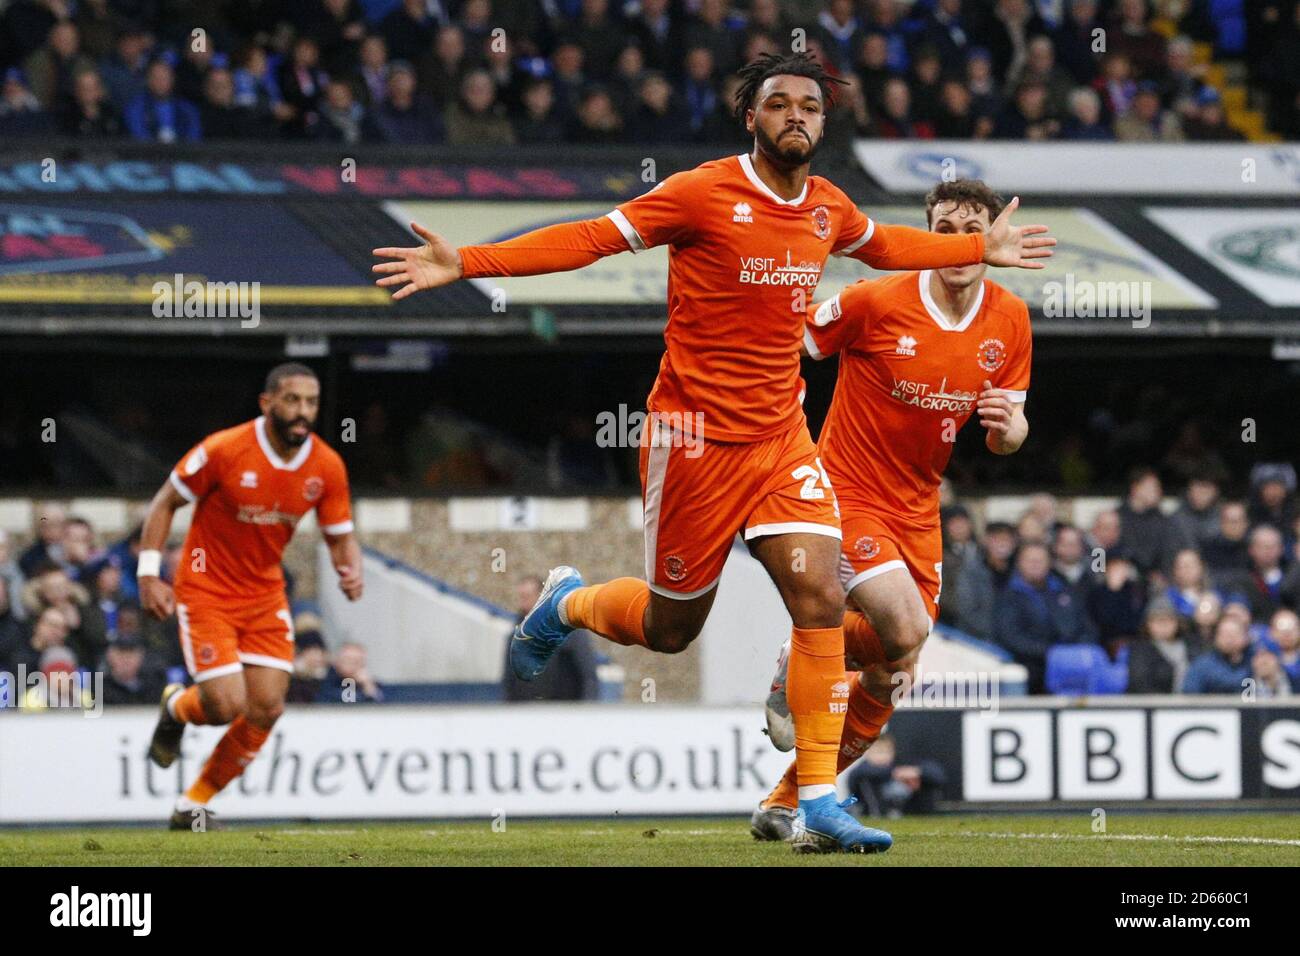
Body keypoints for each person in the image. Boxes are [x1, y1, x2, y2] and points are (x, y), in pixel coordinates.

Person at [371, 51, 1054, 854]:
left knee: (821, 606)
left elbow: (894, 247)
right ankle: (566, 604)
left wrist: (976, 252)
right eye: (779, 103)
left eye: (810, 104)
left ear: (824, 124)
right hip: (690, 441)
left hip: (781, 442)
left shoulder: (828, 208)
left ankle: (819, 801)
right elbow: (593, 238)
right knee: (669, 631)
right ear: (751, 117)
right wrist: (472, 261)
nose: (796, 114)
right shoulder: (699, 192)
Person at [754, 178, 1034, 835]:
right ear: (928, 233)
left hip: (918, 507)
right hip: (845, 492)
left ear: (992, 237)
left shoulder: (1010, 319)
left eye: (973, 227)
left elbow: (1008, 434)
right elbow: (791, 342)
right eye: (944, 227)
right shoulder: (876, 297)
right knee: (908, 629)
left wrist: (1007, 429)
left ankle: (786, 801)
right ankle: (803, 658)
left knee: (892, 669)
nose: (960, 242)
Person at [141, 364, 363, 830]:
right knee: (225, 706)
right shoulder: (224, 449)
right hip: (206, 589)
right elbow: (166, 502)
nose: (303, 412)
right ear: (267, 403)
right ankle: (178, 708)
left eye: (312, 403)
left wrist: (350, 567)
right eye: (293, 400)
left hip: (264, 594)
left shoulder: (326, 466)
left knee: (266, 707)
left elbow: (340, 535)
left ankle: (192, 805)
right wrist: (148, 574)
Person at [502, 575, 599, 701]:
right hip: (526, 713)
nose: (522, 603)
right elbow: (509, 680)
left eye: (526, 597)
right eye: (521, 597)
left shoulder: (569, 632)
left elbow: (588, 675)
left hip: (564, 713)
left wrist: (586, 710)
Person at [1126, 596, 1203, 694]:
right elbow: (1139, 683)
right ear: (1147, 624)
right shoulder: (1139, 650)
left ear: (1177, 622)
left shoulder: (1192, 645)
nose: (1163, 625)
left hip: (1192, 704)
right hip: (1157, 706)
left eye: (1169, 619)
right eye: (1158, 620)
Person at [1181, 615, 1252, 694]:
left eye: (1233, 635)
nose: (1229, 640)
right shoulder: (1202, 666)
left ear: (1246, 637)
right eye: (1224, 635)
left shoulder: (1255, 662)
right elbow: (1190, 695)